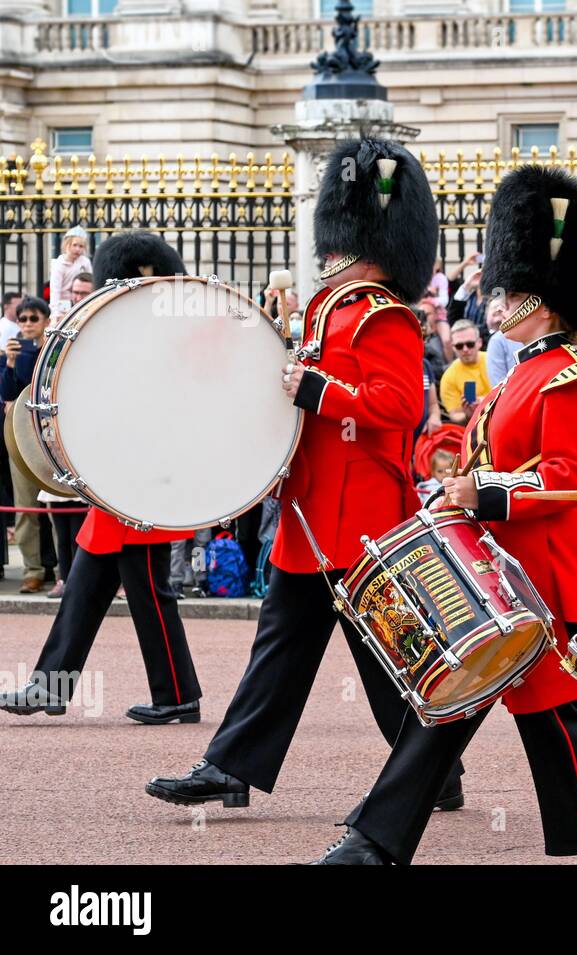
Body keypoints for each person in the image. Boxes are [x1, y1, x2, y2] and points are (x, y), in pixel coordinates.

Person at [313, 165, 577, 865]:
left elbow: (572, 480)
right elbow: (490, 452)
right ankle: (381, 840)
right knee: (462, 705)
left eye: (510, 289)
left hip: (541, 575)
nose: (496, 297)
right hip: (501, 575)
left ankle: (379, 841)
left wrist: (483, 491)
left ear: (540, 300)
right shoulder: (524, 373)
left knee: (538, 716)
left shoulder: (576, 376)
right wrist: (454, 479)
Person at [144, 138, 463, 808]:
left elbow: (399, 408)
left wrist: (317, 391)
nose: (328, 254)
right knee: (282, 646)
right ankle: (231, 766)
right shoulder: (329, 308)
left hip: (362, 516)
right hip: (310, 508)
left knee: (383, 658)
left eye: (339, 243)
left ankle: (436, 771)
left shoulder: (384, 315)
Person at [0, 234, 202, 723]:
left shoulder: (173, 340)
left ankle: (177, 695)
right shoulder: (122, 335)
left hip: (150, 485)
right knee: (85, 590)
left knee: (151, 592)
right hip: (116, 485)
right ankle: (51, 686)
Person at [2, 296, 53, 593]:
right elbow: (6, 392)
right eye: (23, 319)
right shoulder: (12, 350)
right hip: (21, 438)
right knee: (26, 508)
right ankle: (32, 570)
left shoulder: (53, 348)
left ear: (46, 320)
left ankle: (62, 569)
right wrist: (9, 362)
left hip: (49, 437)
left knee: (60, 504)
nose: (28, 324)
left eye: (34, 318)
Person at [439, 319, 490, 425]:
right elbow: (454, 415)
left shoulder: (494, 361)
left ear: (479, 342)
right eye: (459, 346)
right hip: (474, 427)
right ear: (453, 347)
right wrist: (468, 415)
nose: (465, 349)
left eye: (470, 344)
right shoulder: (449, 377)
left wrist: (485, 401)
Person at [48, 226, 92, 316]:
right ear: (67, 245)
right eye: (75, 245)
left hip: (82, 301)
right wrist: (55, 313)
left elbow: (91, 282)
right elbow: (55, 290)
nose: (78, 249)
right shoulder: (59, 264)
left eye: (81, 246)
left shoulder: (85, 262)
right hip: (63, 305)